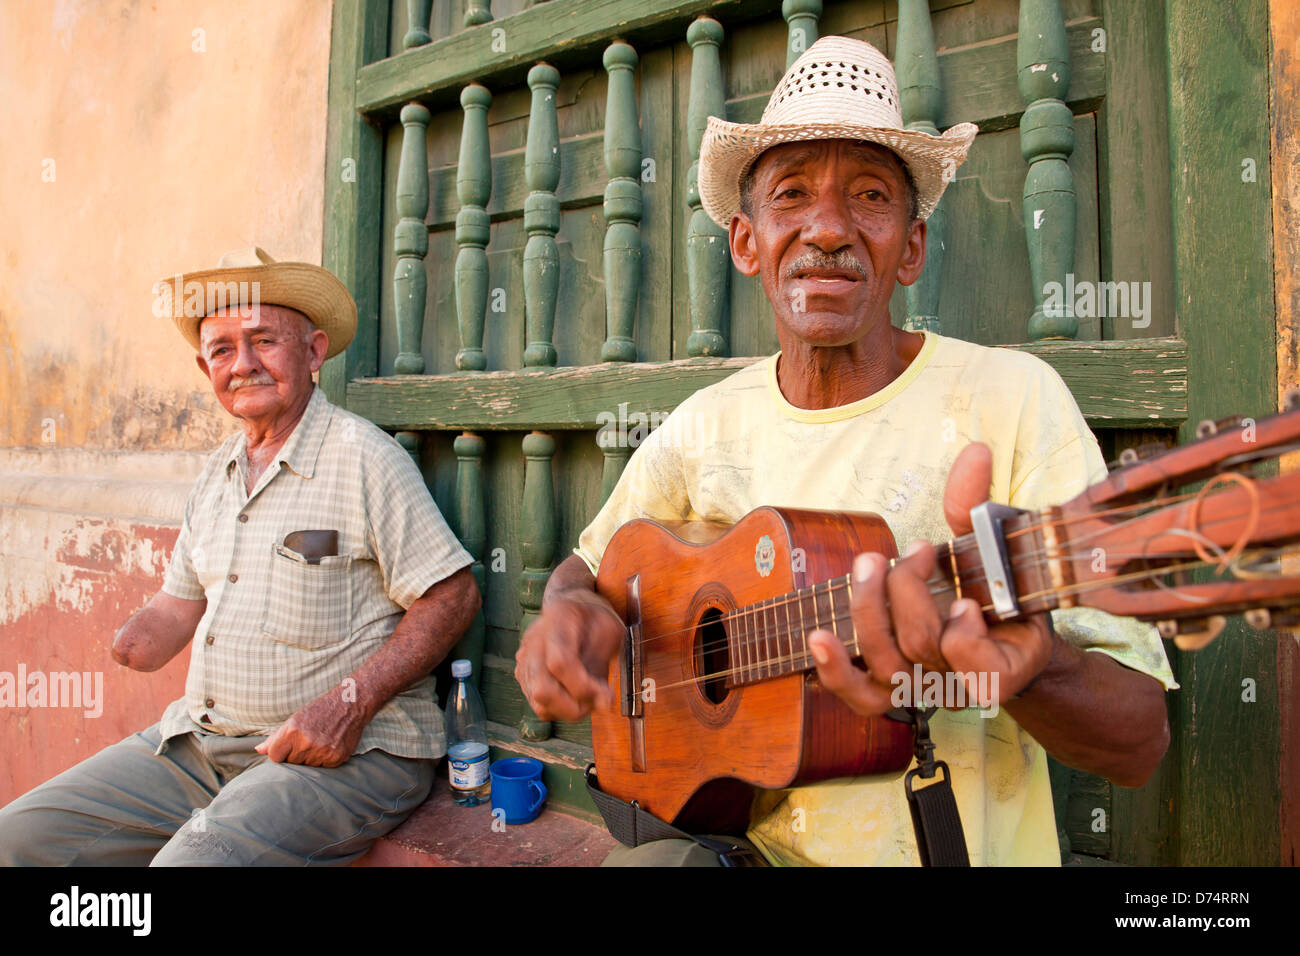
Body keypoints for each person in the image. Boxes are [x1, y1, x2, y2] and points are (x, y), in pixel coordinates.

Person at [514, 36, 1177, 866]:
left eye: (868, 195)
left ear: (911, 248)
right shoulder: (703, 425)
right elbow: (593, 567)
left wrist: (1034, 665)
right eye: (792, 195)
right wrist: (570, 608)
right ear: (747, 243)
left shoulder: (1012, 400)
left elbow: (1140, 740)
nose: (827, 229)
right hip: (737, 844)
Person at [0, 247, 480, 865]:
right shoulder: (217, 471)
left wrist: (347, 703)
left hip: (344, 753)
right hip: (199, 746)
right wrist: (129, 641)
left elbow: (453, 594)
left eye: (263, 341)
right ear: (206, 370)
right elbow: (179, 604)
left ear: (312, 353)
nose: (243, 365)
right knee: (18, 839)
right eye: (223, 350)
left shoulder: (364, 457)